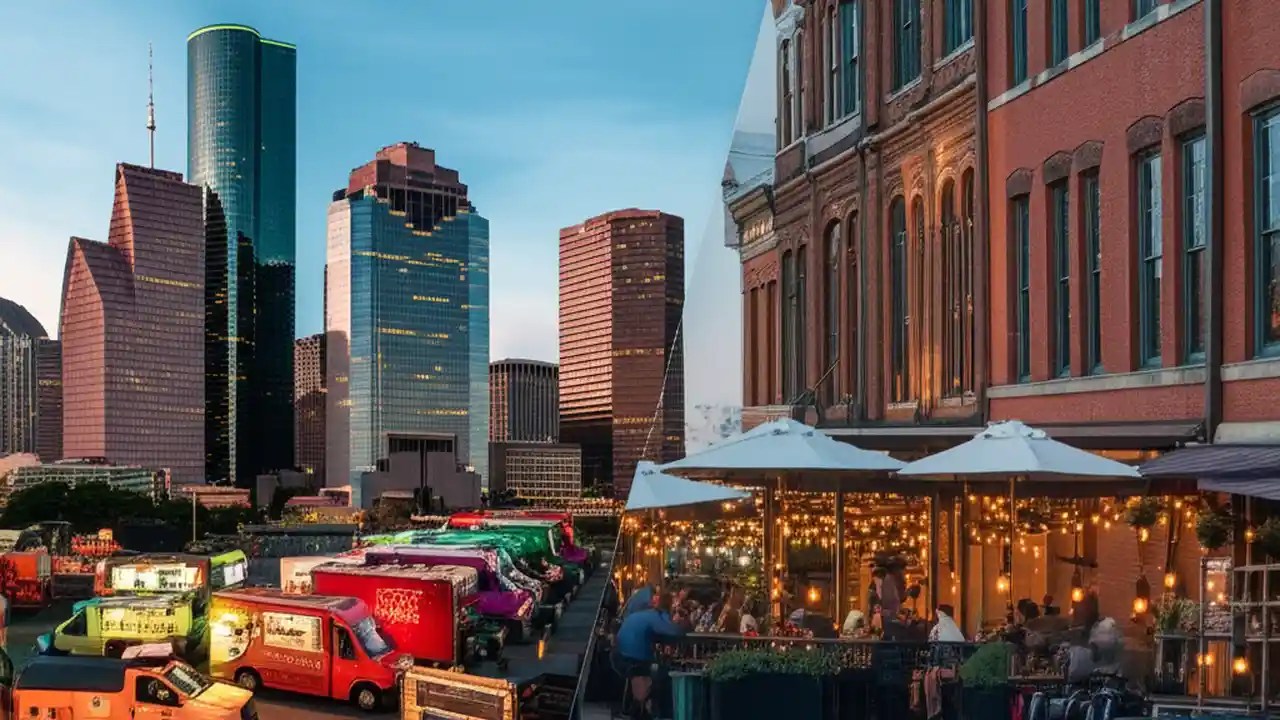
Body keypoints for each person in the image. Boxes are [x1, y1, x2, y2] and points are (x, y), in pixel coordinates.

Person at [616, 591, 687, 718]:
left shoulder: (641, 615)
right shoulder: (659, 616)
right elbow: (673, 632)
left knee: (650, 672)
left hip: (619, 654)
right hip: (635, 658)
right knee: (662, 674)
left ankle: (639, 705)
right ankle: (652, 707)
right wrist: (683, 626)